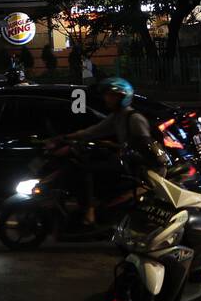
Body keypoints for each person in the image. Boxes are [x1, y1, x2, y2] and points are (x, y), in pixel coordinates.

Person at [50, 76, 165, 229]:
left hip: (140, 167)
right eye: (107, 95)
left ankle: (90, 211)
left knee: (87, 169)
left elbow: (145, 145)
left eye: (112, 95)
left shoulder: (134, 118)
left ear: (123, 97)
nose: (107, 99)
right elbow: (92, 131)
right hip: (129, 160)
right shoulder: (117, 117)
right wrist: (65, 137)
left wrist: (123, 150)